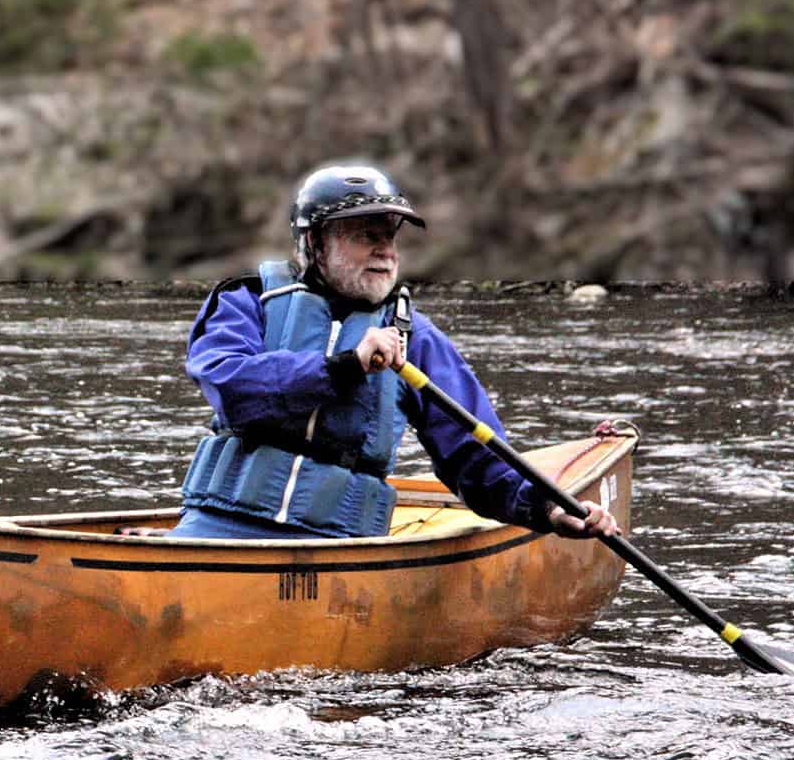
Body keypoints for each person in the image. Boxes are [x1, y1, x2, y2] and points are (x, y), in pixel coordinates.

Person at [166, 162, 621, 541]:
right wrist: (343, 367)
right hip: (219, 525)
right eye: (365, 235)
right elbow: (230, 385)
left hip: (336, 544)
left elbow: (476, 456)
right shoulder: (246, 301)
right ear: (314, 243)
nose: (385, 251)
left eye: (390, 236)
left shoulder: (415, 339)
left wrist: (544, 511)